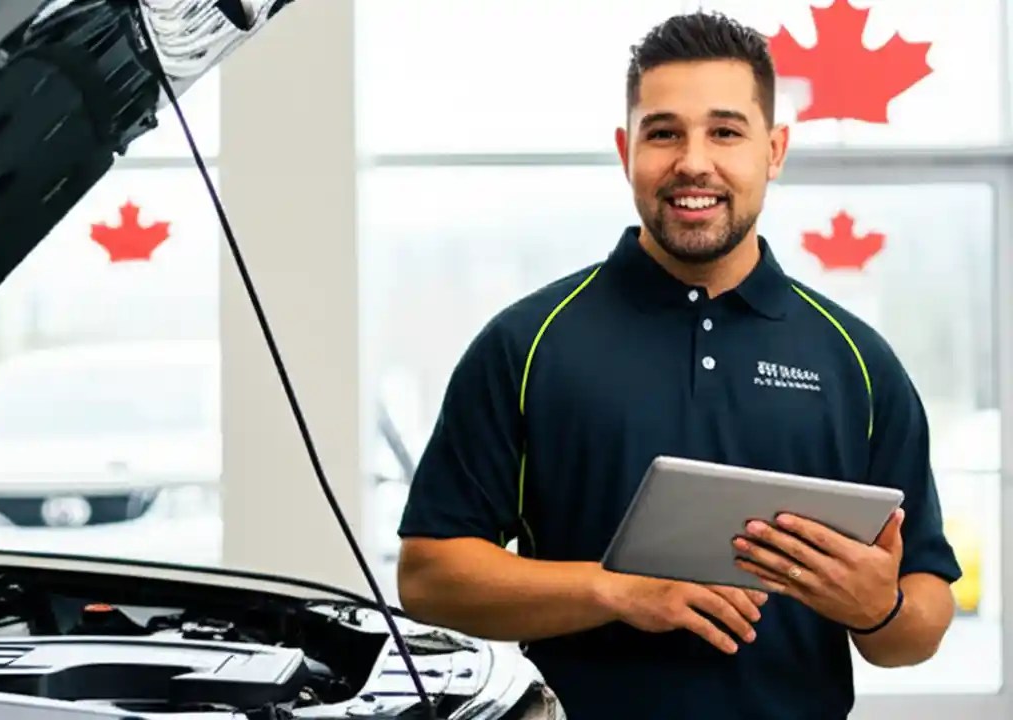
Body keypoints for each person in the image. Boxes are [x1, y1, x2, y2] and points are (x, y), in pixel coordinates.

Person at [394, 10, 962, 720]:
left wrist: (880, 610)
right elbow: (428, 577)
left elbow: (919, 621)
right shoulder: (527, 343)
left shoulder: (857, 361)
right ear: (624, 149)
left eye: (726, 131)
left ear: (775, 150)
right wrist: (619, 590)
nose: (694, 160)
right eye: (663, 132)